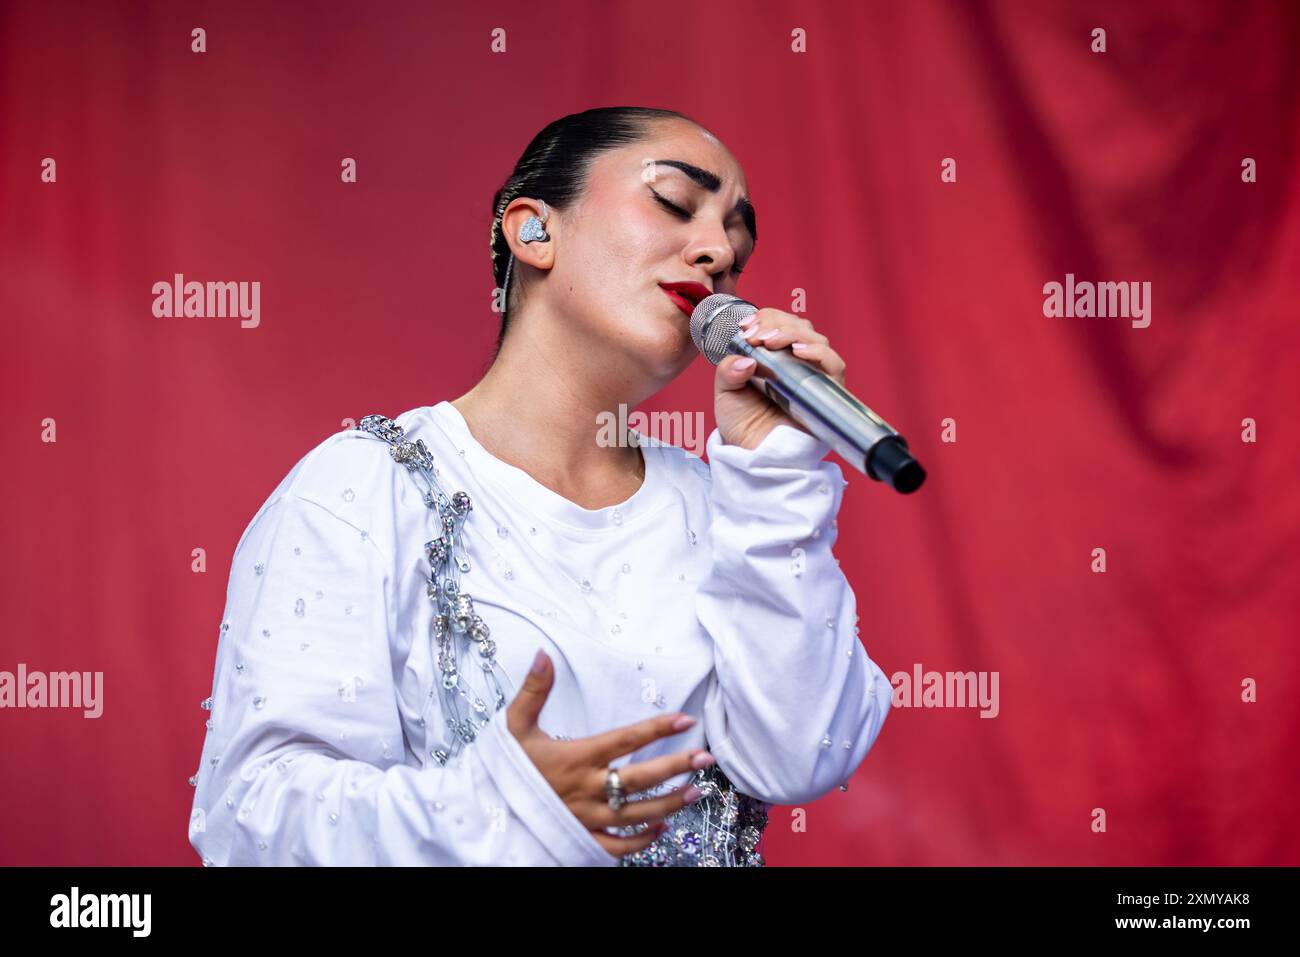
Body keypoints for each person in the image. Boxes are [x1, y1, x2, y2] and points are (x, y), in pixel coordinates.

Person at [187, 106, 893, 867]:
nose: (718, 251)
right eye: (673, 202)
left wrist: (775, 474)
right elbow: (253, 813)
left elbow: (801, 758)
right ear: (533, 231)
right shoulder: (369, 487)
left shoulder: (730, 506)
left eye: (738, 247)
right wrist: (497, 810)